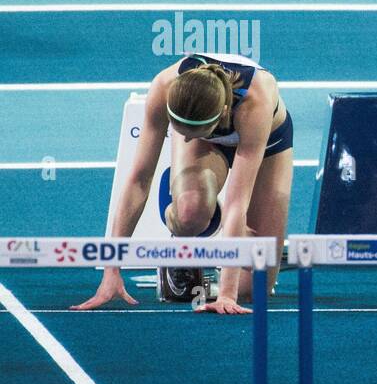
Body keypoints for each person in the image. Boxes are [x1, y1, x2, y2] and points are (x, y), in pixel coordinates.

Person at [73, 53, 293, 315]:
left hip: (269, 142)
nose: (185, 139)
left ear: (222, 114)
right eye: (180, 131)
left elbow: (237, 204)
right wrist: (112, 269)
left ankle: (213, 236)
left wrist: (227, 295)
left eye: (191, 133)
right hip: (207, 140)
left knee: (255, 288)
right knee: (190, 211)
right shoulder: (164, 86)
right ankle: (182, 217)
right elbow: (139, 179)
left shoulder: (255, 104)